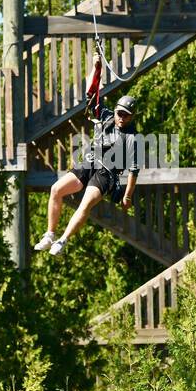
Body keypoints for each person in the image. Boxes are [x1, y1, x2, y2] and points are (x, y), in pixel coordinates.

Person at [36, 63, 140, 256]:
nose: (121, 118)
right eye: (120, 113)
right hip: (89, 163)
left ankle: (62, 240)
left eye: (126, 116)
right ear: (115, 110)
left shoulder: (133, 137)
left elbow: (134, 171)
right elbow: (91, 92)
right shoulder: (106, 115)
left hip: (106, 174)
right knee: (56, 189)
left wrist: (127, 195)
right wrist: (96, 67)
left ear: (132, 117)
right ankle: (50, 234)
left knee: (85, 204)